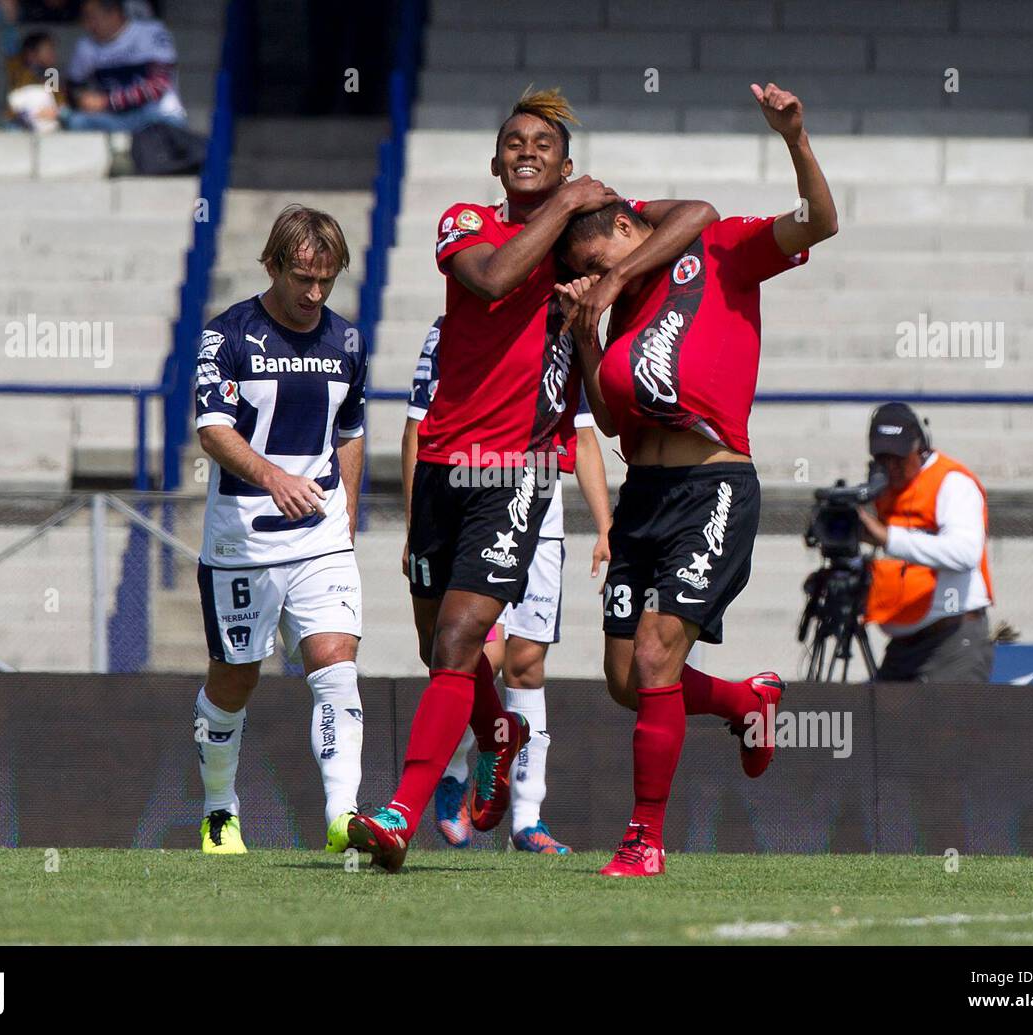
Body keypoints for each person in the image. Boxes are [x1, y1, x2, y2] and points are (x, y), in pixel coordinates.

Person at [345, 87, 716, 873]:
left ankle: (399, 813)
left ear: (567, 165)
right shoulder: (466, 223)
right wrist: (566, 208)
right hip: (446, 459)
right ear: (494, 161)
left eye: (544, 145)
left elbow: (699, 214)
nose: (526, 151)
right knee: (431, 643)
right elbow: (488, 279)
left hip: (516, 467)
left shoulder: (580, 246)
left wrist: (613, 274)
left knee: (457, 639)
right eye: (514, 141)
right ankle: (493, 734)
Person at [557, 82, 838, 878]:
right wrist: (585, 336)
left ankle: (644, 840)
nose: (589, 276)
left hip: (712, 489)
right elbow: (613, 427)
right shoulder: (616, 313)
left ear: (624, 226)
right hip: (644, 498)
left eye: (592, 261)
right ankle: (746, 700)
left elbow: (820, 220)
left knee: (653, 658)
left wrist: (796, 139)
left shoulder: (716, 254)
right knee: (626, 679)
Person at [190, 205, 368, 855]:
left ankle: (344, 815)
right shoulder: (228, 335)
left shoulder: (347, 341)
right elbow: (213, 431)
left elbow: (349, 431)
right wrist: (273, 478)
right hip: (243, 540)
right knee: (235, 678)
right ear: (272, 264)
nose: (314, 294)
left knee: (335, 663)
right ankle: (218, 809)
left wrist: (345, 510)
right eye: (302, 278)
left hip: (320, 538)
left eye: (327, 280)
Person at [401, 316, 614, 854]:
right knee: (474, 653)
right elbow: (417, 427)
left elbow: (584, 435)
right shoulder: (453, 329)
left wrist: (605, 525)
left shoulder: (562, 334)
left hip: (539, 508)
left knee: (527, 662)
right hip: (476, 502)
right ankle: (452, 773)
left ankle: (527, 817)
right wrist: (415, 525)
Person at [857, 403, 995, 683]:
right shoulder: (882, 488)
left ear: (920, 447)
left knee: (947, 728)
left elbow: (965, 552)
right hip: (904, 644)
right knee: (882, 726)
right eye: (883, 458)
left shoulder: (951, 481)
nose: (892, 466)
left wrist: (888, 538)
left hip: (952, 639)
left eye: (899, 457)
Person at [64, 0, 187, 133]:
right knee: (75, 121)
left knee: (165, 119)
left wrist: (107, 102)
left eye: (92, 17)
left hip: (155, 114)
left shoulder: (150, 32)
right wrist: (83, 99)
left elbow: (158, 85)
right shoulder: (86, 45)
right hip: (113, 118)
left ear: (114, 14)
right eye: (85, 19)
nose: (88, 25)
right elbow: (74, 84)